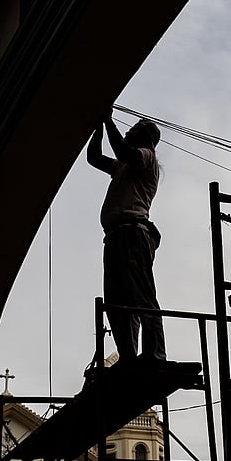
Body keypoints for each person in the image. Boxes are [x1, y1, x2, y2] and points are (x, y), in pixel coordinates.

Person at [86, 113, 166, 365]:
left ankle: (155, 354)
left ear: (146, 138)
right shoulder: (124, 166)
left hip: (133, 232)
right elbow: (94, 158)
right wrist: (98, 127)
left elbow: (122, 150)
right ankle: (128, 356)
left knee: (140, 294)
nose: (129, 132)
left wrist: (107, 121)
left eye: (134, 129)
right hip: (115, 235)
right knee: (116, 300)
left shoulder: (146, 157)